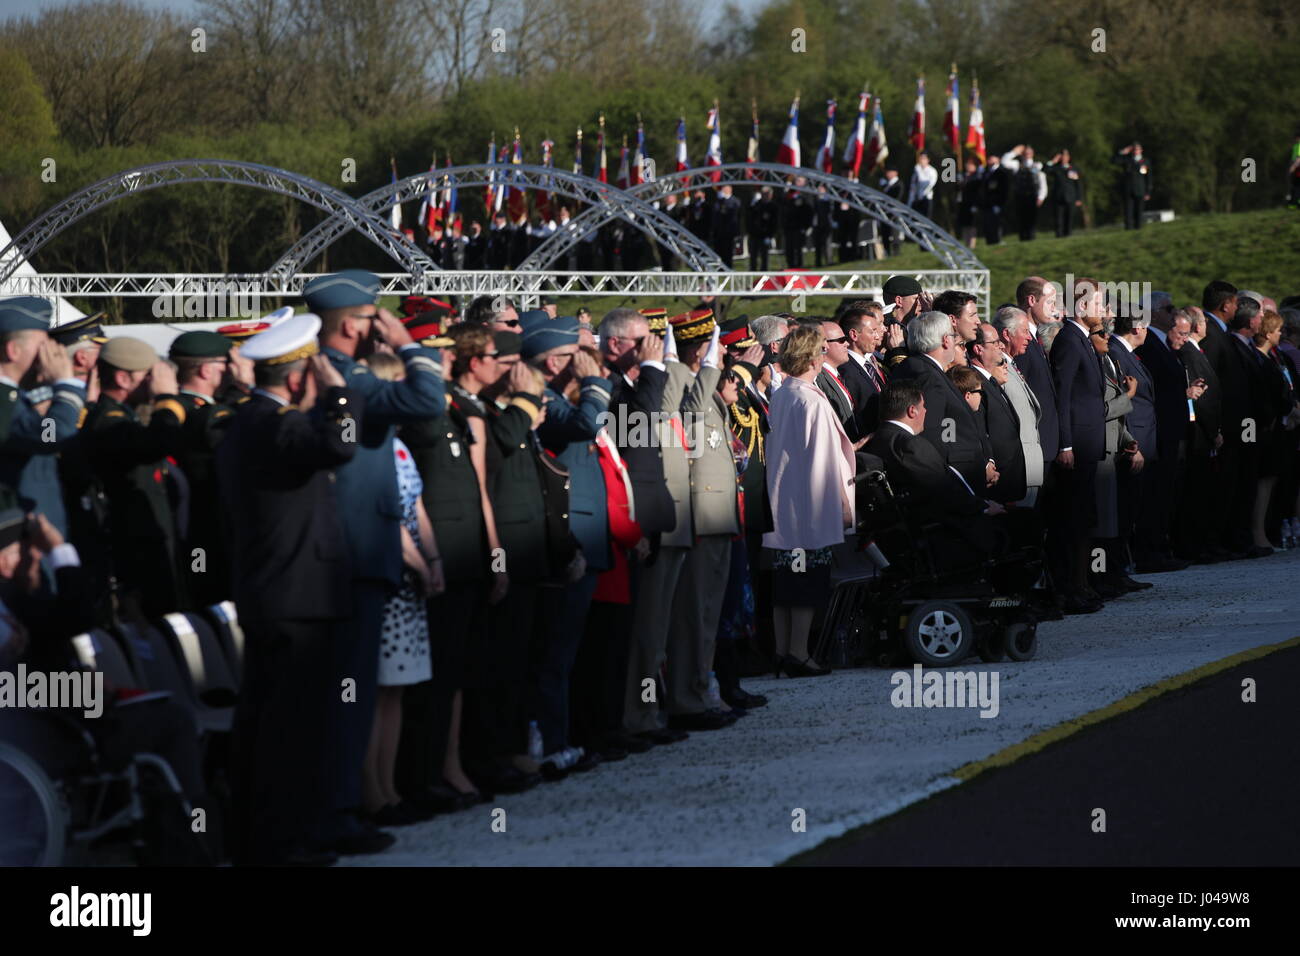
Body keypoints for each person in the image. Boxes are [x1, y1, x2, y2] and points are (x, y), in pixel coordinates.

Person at [305, 269, 446, 849]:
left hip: (364, 557)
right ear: (348, 324)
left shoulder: (351, 377)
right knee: (345, 697)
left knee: (356, 696)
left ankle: (350, 806)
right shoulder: (342, 380)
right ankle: (339, 811)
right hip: (352, 559)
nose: (377, 327)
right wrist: (408, 344)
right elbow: (426, 398)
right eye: (370, 317)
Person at [216, 313, 360, 866]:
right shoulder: (275, 426)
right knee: (287, 726)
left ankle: (272, 835)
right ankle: (280, 841)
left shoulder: (253, 424)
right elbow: (341, 446)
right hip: (293, 595)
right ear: (300, 379)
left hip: (280, 591)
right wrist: (342, 396)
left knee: (274, 722)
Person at [360, 352, 444, 825]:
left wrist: (433, 560)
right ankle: (371, 792)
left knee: (398, 691)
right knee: (376, 692)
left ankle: (389, 788)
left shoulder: (397, 444)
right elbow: (387, 517)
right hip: (392, 579)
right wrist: (419, 564)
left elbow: (417, 508)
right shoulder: (367, 445)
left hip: (412, 576)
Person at [528, 311, 610, 770]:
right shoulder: (543, 400)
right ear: (549, 360)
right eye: (568, 355)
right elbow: (587, 424)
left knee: (572, 651)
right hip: (567, 537)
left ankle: (566, 736)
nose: (577, 362)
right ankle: (552, 744)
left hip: (585, 535)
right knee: (554, 653)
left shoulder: (561, 395)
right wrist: (593, 378)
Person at [761, 323, 855, 677]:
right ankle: (798, 652)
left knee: (786, 580)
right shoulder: (807, 398)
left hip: (785, 502)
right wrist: (841, 503)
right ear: (812, 357)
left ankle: (785, 651)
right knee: (806, 579)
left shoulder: (783, 394)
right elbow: (821, 457)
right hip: (808, 503)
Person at [664, 314, 742, 730]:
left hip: (716, 516)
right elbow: (691, 419)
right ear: (698, 351)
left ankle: (701, 690)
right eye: (715, 349)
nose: (724, 355)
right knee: (692, 616)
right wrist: (708, 368)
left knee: (708, 614)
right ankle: (686, 698)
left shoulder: (703, 388)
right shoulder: (682, 389)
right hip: (699, 514)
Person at [81, 337, 189, 620]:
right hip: (134, 560)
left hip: (145, 551)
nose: (154, 383)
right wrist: (167, 399)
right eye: (148, 375)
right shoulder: (108, 421)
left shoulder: (122, 418)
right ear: (123, 378)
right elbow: (158, 442)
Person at [865, 382, 1005, 564]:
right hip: (947, 532)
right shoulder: (909, 445)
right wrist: (984, 506)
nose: (926, 412)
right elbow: (943, 490)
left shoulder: (875, 440)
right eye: (923, 407)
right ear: (912, 411)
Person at [0, 297, 86, 531]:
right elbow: (52, 435)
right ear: (13, 350)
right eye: (42, 346)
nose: (50, 354)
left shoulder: (15, 398)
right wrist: (66, 385)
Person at [889, 310, 996, 495]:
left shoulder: (918, 367)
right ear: (946, 340)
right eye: (954, 336)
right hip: (954, 478)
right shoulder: (928, 376)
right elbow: (931, 433)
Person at [1049, 278, 1108, 613]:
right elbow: (1063, 394)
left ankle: (1083, 584)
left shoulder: (1083, 338)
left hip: (1088, 442)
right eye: (1098, 304)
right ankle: (1072, 587)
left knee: (1085, 518)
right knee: (1073, 520)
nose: (1102, 311)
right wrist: (1066, 443)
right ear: (1083, 307)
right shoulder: (1070, 340)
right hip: (1077, 445)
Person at [168, 331, 237, 608]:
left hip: (192, 530)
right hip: (204, 531)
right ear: (207, 370)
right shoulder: (203, 415)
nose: (230, 373)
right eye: (225, 366)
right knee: (210, 603)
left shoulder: (174, 408)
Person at [1173, 307, 1223, 562]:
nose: (1205, 325)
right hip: (1199, 433)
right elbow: (1201, 397)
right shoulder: (1189, 353)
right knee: (1195, 492)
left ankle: (1201, 543)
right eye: (1203, 321)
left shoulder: (1195, 351)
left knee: (1202, 492)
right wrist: (1213, 430)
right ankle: (1194, 546)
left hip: (1203, 432)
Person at [967, 324, 1027, 504]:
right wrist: (989, 463)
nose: (1001, 346)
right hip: (997, 481)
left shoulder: (990, 381)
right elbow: (979, 429)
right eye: (994, 342)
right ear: (978, 349)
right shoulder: (976, 383)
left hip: (1010, 479)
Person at [837, 301, 888, 438]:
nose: (877, 337)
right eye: (872, 332)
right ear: (854, 335)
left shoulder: (870, 365)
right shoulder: (845, 370)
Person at [1002, 145, 1047, 241]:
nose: (1027, 155)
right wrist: (1014, 152)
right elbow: (1004, 162)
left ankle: (1031, 238)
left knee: (1032, 220)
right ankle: (1023, 239)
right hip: (1020, 196)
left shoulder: (1037, 165)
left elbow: (1042, 182)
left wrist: (1041, 197)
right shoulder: (1017, 165)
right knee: (1021, 219)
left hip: (1033, 196)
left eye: (1029, 153)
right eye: (1025, 153)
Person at [1114, 142, 1152, 230]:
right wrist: (1123, 152)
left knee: (1139, 209)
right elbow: (1114, 160)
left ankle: (1138, 227)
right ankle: (1129, 228)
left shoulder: (1145, 161)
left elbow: (1149, 177)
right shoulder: (1128, 160)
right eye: (1134, 150)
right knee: (1128, 210)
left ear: (1141, 150)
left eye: (1137, 149)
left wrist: (1148, 191)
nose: (1136, 151)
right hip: (1128, 189)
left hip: (1140, 189)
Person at [1046, 150, 1083, 237]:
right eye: (1062, 156)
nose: (1064, 158)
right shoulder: (1056, 168)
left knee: (1069, 217)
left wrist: (1079, 198)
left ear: (1069, 157)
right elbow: (1046, 170)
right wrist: (1053, 161)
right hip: (1058, 197)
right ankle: (1059, 235)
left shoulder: (1073, 169)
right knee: (1058, 218)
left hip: (1070, 197)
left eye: (1066, 156)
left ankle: (1068, 234)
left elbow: (1078, 184)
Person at [979, 152, 1011, 245]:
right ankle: (990, 241)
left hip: (997, 203)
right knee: (988, 224)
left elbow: (1004, 190)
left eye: (992, 158)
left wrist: (1000, 204)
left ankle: (998, 240)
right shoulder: (986, 173)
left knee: (997, 223)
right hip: (987, 203)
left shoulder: (1001, 173)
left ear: (998, 160)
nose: (990, 160)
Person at [747, 186, 778, 271]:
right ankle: (753, 269)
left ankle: (764, 270)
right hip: (755, 234)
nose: (765, 196)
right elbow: (750, 216)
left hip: (765, 234)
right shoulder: (757, 204)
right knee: (753, 254)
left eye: (767, 194)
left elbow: (774, 222)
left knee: (764, 255)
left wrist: (770, 235)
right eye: (764, 194)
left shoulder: (773, 206)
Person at [712, 184, 741, 268]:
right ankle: (719, 268)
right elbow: (715, 212)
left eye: (725, 188)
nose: (723, 189)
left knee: (728, 252)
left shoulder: (735, 201)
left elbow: (733, 214)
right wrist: (720, 200)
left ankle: (728, 267)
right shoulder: (719, 201)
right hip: (719, 231)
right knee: (718, 251)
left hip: (729, 232)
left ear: (730, 189)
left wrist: (723, 201)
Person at [955, 157, 981, 249]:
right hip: (963, 203)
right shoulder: (963, 176)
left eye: (970, 164)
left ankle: (972, 244)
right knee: (964, 224)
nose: (968, 166)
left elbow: (977, 191)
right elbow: (957, 189)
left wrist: (976, 204)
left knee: (972, 224)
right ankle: (966, 243)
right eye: (967, 164)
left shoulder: (977, 177)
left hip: (972, 203)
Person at [907, 152, 938, 219]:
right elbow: (913, 186)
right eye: (920, 158)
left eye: (923, 158)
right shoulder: (916, 171)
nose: (921, 160)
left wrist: (919, 172)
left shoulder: (932, 171)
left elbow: (930, 185)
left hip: (926, 199)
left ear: (928, 160)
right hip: (916, 199)